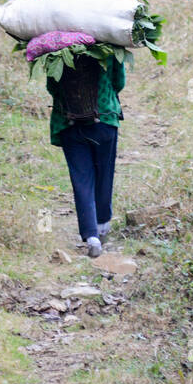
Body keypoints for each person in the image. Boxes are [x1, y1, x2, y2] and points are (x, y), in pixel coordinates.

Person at [46, 54, 125, 258]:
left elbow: (52, 87)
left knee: (81, 178)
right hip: (105, 120)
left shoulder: (56, 51)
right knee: (104, 172)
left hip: (69, 124)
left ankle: (91, 236)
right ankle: (103, 223)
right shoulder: (109, 47)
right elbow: (119, 82)